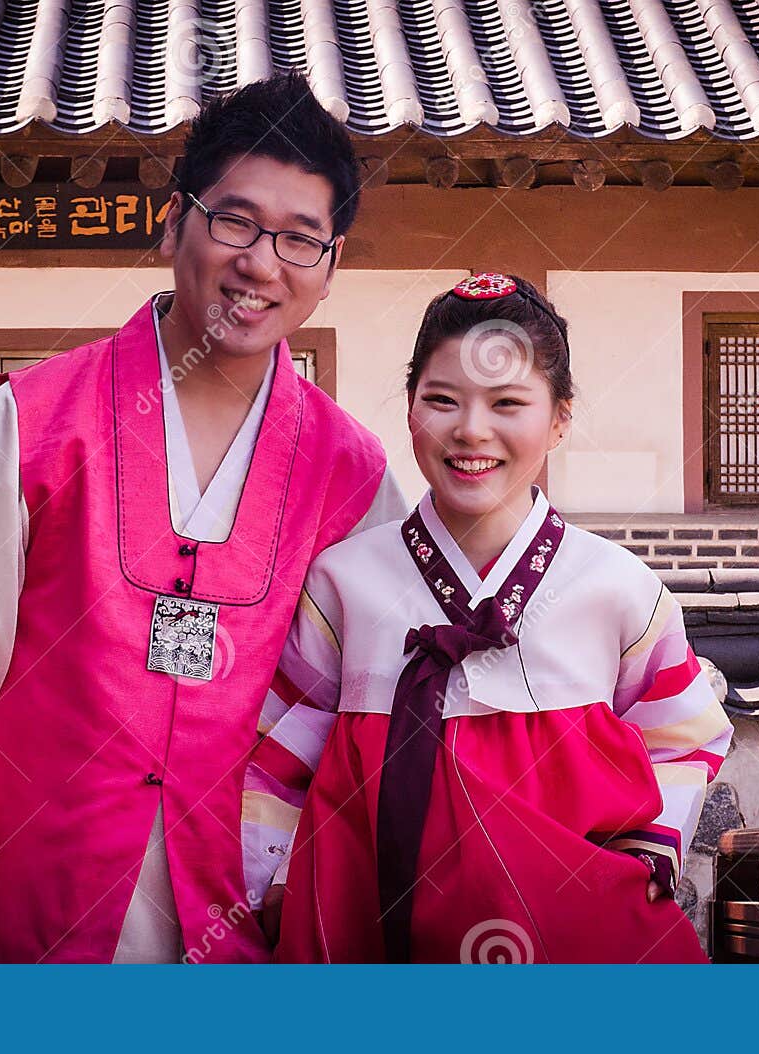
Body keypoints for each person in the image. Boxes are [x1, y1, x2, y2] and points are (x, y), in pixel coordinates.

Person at [0, 72, 404, 964]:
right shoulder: (30, 427)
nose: (260, 262)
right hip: (29, 920)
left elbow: (372, 712)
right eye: (234, 220)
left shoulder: (352, 476)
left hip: (251, 930)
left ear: (333, 266)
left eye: (299, 239)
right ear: (175, 222)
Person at [245, 274, 732, 963]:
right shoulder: (342, 583)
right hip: (362, 930)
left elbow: (684, 737)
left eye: (508, 403)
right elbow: (276, 754)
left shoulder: (618, 589)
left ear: (560, 417)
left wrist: (644, 860)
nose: (471, 431)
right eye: (441, 400)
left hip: (571, 939)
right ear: (410, 406)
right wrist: (274, 883)